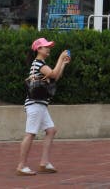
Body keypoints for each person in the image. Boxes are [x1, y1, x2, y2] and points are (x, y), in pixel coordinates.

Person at [16, 37, 70, 176]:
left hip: (40, 104)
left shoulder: (40, 64)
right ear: (38, 49)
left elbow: (55, 77)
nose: (48, 48)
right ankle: (22, 166)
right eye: (46, 46)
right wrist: (60, 58)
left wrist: (63, 63)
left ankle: (44, 163)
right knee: (30, 133)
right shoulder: (39, 63)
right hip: (35, 104)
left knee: (51, 130)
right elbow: (52, 73)